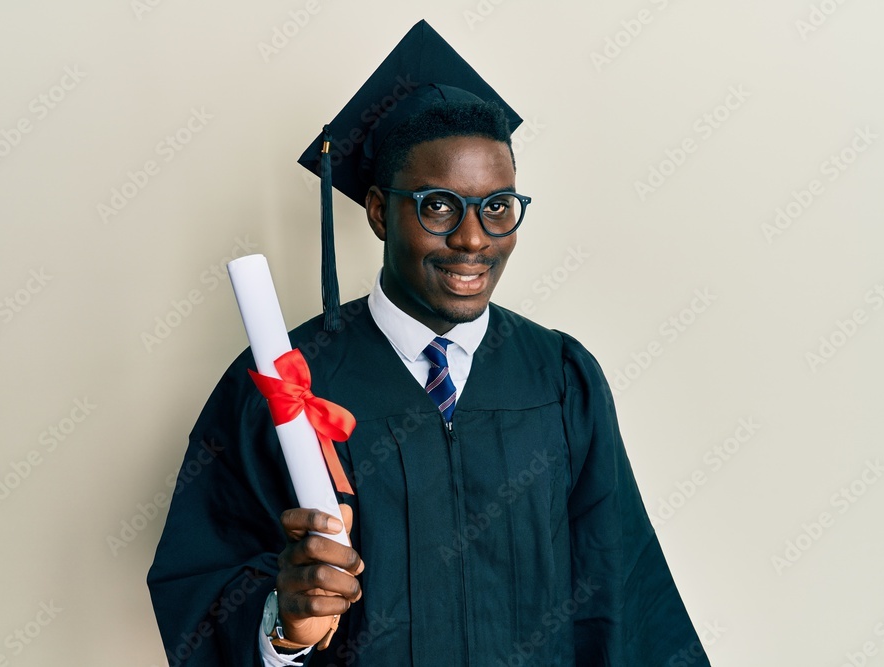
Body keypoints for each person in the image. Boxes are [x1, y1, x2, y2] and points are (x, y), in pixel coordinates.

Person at [148, 19, 710, 667]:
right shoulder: (286, 383)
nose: (473, 238)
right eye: (439, 206)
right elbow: (202, 587)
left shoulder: (560, 378)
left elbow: (623, 593)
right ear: (382, 212)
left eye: (497, 206)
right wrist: (284, 624)